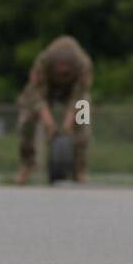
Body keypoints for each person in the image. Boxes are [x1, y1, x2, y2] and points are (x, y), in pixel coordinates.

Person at [14, 36, 93, 184]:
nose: (63, 70)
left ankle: (80, 168)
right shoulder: (42, 62)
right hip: (45, 91)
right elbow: (35, 93)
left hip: (72, 94)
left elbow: (79, 96)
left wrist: (67, 126)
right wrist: (49, 123)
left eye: (67, 66)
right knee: (26, 118)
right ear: (52, 63)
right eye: (60, 66)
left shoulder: (84, 64)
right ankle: (27, 163)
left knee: (84, 112)